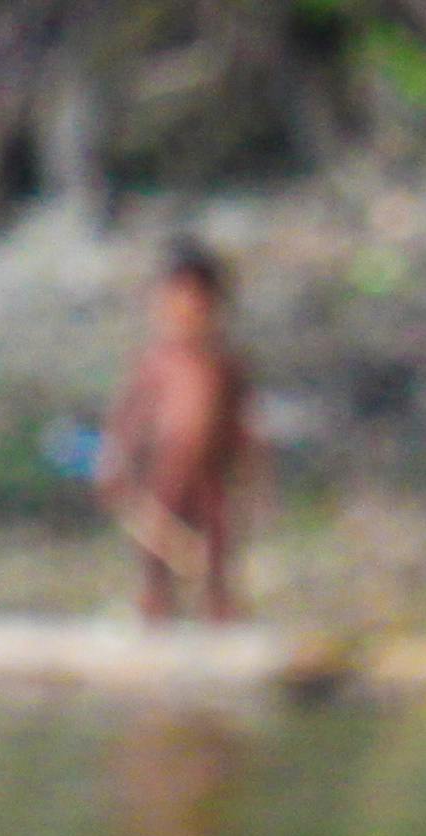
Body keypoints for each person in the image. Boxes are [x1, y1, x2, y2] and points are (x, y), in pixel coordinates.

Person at [98, 239, 260, 624]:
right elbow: (130, 417)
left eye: (199, 302)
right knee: (157, 560)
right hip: (164, 479)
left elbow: (244, 426)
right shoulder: (156, 363)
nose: (187, 312)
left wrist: (254, 478)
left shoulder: (224, 366)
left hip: (211, 479)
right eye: (177, 300)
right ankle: (154, 613)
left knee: (216, 555)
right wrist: (116, 461)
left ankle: (220, 617)